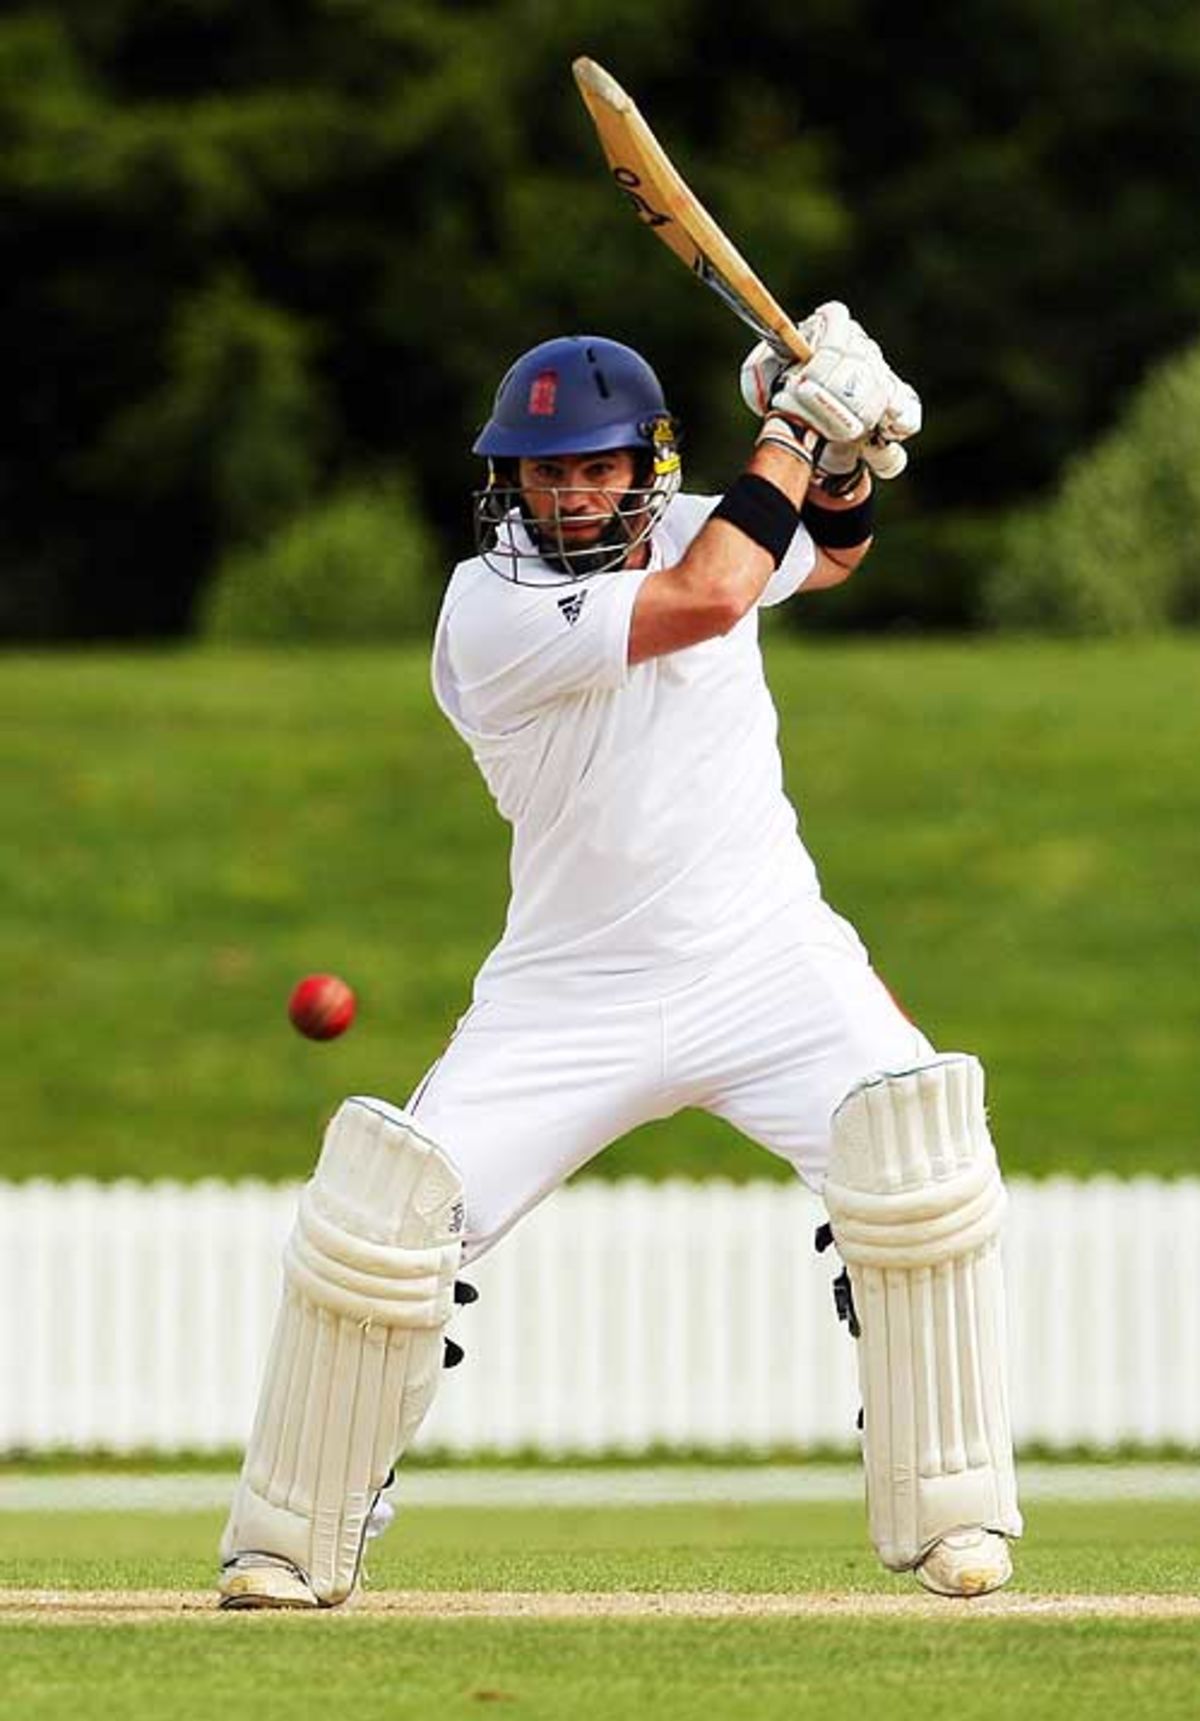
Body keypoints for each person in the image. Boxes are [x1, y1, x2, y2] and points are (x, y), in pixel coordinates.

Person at [218, 306, 1022, 1610]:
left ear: (648, 467)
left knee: (921, 1161)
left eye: (599, 466)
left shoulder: (712, 513)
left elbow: (825, 555)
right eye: (549, 471)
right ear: (509, 482)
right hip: (569, 990)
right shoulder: (489, 608)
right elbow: (711, 598)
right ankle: (294, 1532)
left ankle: (954, 1512)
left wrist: (846, 460)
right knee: (387, 1214)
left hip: (768, 955)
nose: (573, 492)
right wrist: (795, 420)